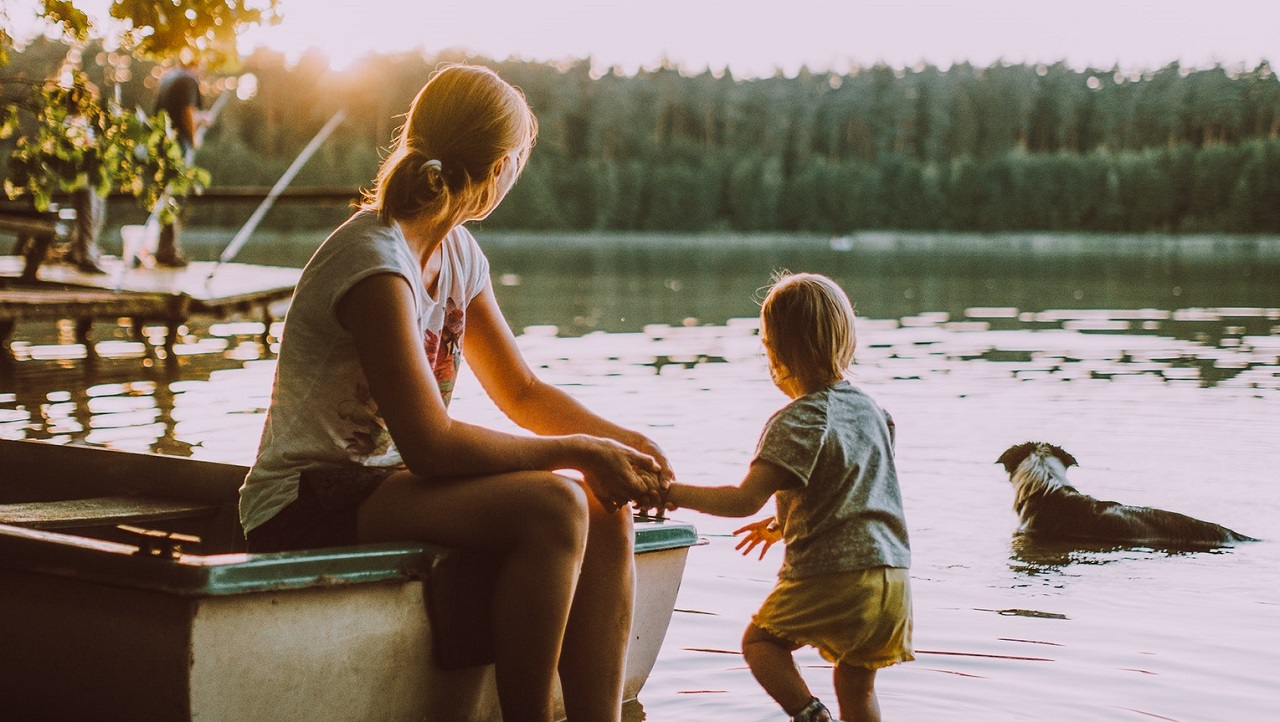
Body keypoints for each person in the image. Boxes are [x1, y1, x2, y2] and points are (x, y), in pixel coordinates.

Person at [238, 64, 670, 722]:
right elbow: (432, 445)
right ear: (500, 168)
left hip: (386, 485)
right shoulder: (376, 261)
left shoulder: (459, 253)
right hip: (303, 500)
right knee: (556, 504)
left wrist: (618, 445)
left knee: (603, 506)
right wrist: (578, 451)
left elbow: (521, 390)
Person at [659, 273, 913, 722]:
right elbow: (855, 489)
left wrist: (669, 493)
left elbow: (743, 499)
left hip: (836, 575)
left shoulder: (798, 420)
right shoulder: (876, 413)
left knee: (761, 643)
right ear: (846, 340)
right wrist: (782, 525)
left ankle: (809, 714)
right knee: (856, 684)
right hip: (893, 581)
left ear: (774, 350)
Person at [152, 58, 210, 266]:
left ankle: (164, 248)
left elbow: (175, 112)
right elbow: (186, 111)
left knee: (167, 196)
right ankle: (167, 251)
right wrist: (193, 139)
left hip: (162, 142)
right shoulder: (188, 79)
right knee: (176, 197)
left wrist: (200, 118)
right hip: (178, 145)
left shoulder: (169, 78)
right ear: (196, 65)